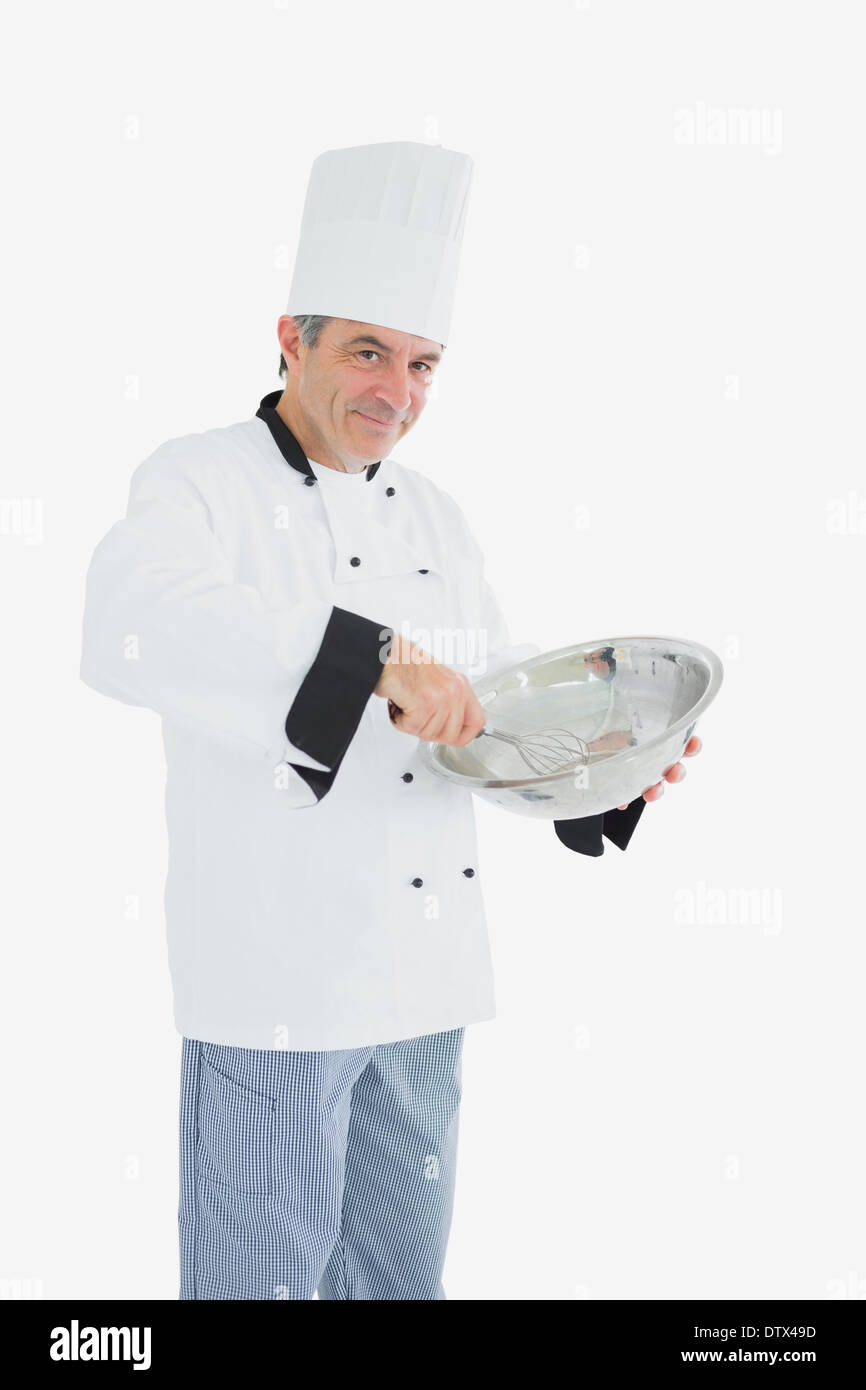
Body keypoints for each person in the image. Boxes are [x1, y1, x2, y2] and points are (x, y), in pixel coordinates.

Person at [80, 141, 699, 1300]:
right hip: (275, 985)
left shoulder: (436, 515)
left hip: (424, 981)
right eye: (366, 350)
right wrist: (366, 655)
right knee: (258, 1280)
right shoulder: (197, 480)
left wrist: (599, 766)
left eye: (422, 365)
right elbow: (129, 624)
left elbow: (487, 697)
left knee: (399, 1280)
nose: (395, 393)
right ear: (290, 339)